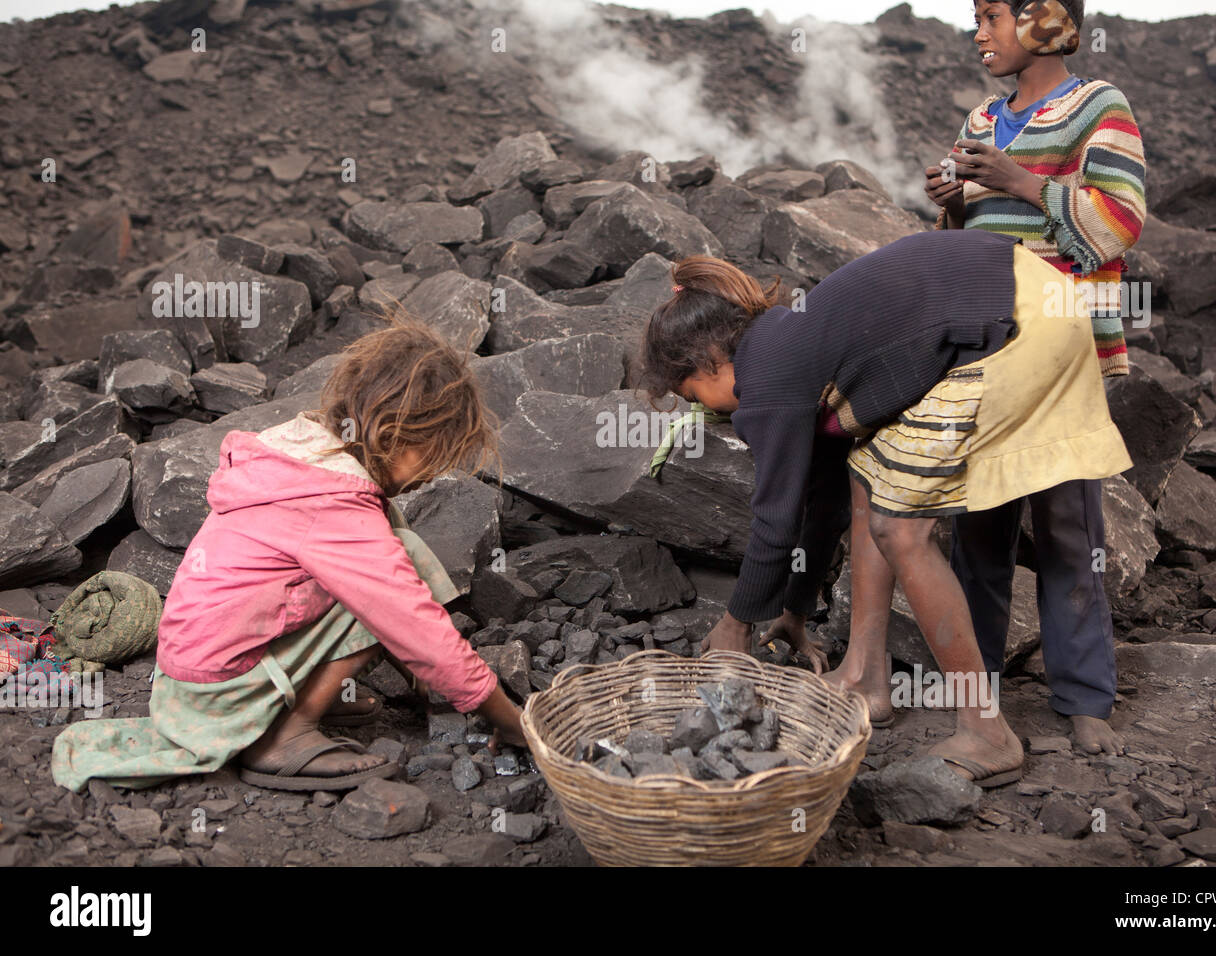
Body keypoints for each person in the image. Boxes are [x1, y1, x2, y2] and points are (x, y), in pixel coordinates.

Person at [639, 228, 1133, 786]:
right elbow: (821, 502)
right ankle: (865, 678)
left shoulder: (767, 377)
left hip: (1014, 326)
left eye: (691, 395)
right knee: (869, 477)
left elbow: (774, 521)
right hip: (1038, 300)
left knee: (900, 530)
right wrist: (795, 609)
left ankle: (986, 731)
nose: (709, 411)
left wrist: (736, 625)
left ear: (708, 361)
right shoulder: (790, 345)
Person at [52, 313, 526, 793]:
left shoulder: (304, 459)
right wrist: (508, 719)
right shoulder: (334, 506)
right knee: (390, 594)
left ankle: (300, 699)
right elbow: (409, 619)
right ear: (394, 436)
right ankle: (286, 735)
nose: (435, 472)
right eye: (434, 454)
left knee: (396, 553)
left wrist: (429, 679)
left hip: (184, 680)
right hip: (217, 696)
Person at [924, 0, 1147, 754]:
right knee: (979, 527)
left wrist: (1022, 182)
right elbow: (965, 245)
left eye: (992, 15)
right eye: (975, 17)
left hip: (1062, 357)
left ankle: (1084, 698)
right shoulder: (981, 122)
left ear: (1045, 20)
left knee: (1066, 526)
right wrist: (952, 208)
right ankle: (978, 695)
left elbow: (1117, 223)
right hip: (986, 353)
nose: (978, 32)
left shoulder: (1099, 108)